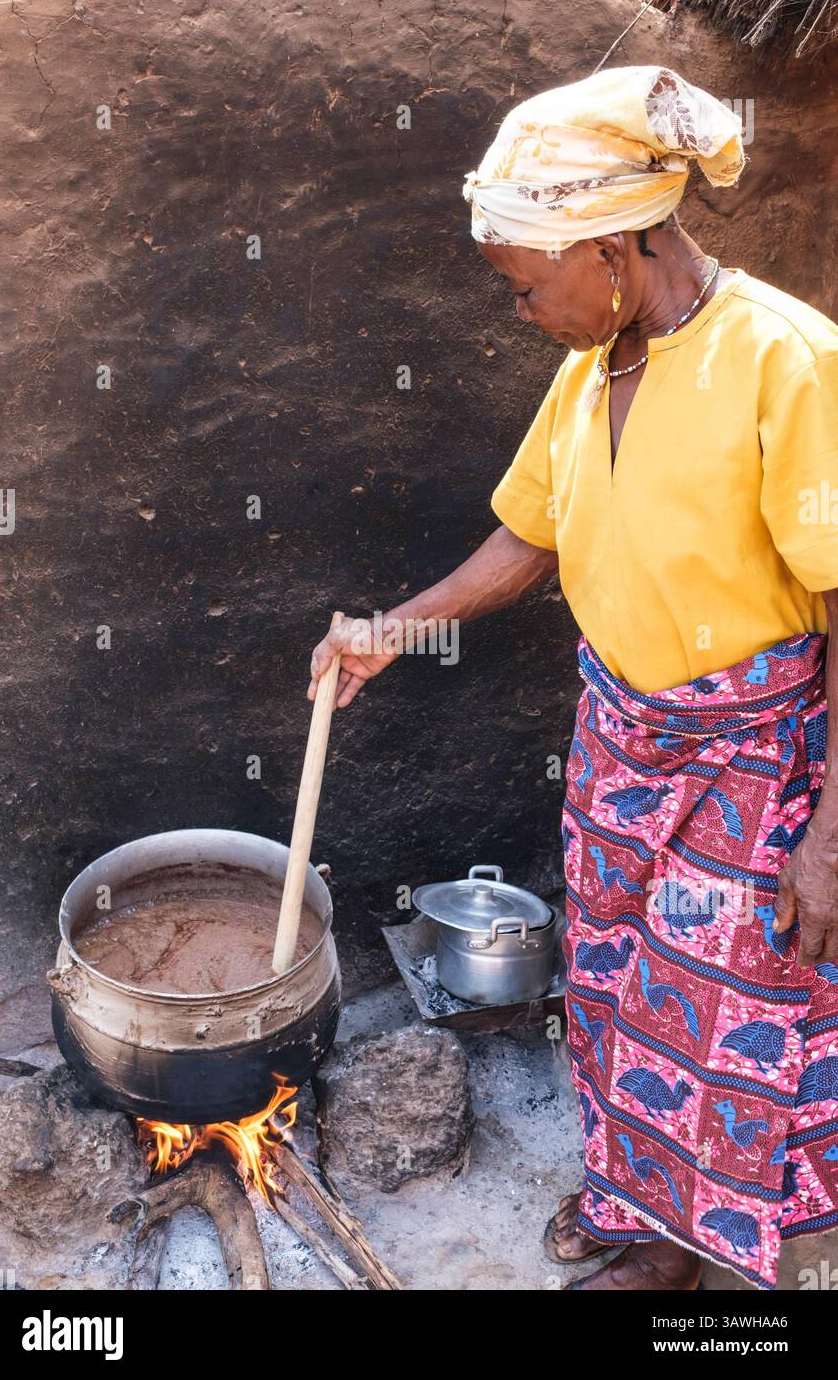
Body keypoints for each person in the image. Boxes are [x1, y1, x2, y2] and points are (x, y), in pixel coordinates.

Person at [308, 65, 838, 1291]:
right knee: (606, 986)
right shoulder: (592, 368)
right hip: (623, 740)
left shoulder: (785, 363)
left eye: (525, 281)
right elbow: (530, 537)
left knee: (712, 1010)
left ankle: (678, 1252)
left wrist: (829, 834)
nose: (519, 308)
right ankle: (633, 1193)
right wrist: (390, 631)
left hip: (750, 761)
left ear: (610, 246)